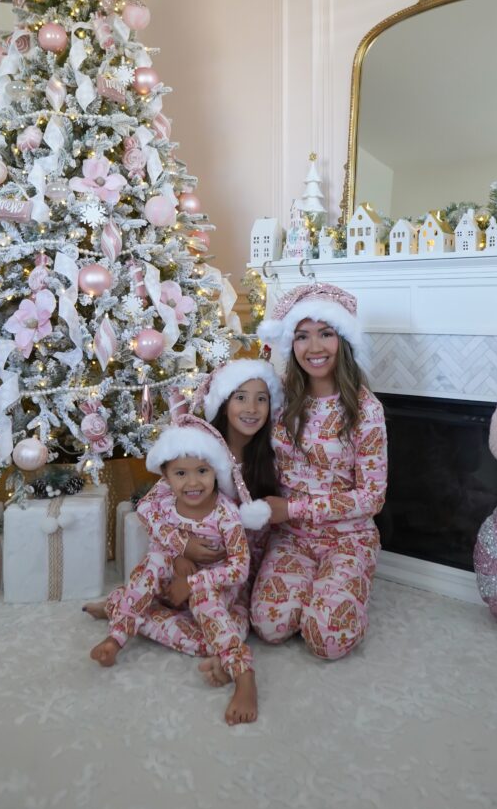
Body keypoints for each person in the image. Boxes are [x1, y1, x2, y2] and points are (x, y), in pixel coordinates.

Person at [89, 414, 257, 725]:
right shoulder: (163, 498)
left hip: (217, 588)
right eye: (181, 473)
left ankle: (244, 676)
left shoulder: (227, 515)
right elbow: (145, 511)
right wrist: (180, 549)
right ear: (166, 476)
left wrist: (194, 582)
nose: (193, 483)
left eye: (202, 472)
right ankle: (118, 633)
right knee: (154, 562)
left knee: (210, 640)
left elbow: (240, 569)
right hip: (171, 576)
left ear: (216, 472)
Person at [250, 283, 388, 659]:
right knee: (268, 627)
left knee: (327, 641)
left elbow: (373, 497)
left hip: (348, 538)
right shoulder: (278, 398)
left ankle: (340, 585)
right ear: (290, 344)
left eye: (325, 333)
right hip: (291, 538)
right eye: (302, 336)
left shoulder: (366, 409)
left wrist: (293, 509)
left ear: (342, 339)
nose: (314, 348)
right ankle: (311, 587)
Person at [188, 358, 282, 685]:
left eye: (262, 398)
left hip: (243, 569)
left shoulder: (270, 456)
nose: (252, 408)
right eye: (241, 397)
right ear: (224, 403)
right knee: (194, 598)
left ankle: (224, 657)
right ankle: (120, 608)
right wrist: (184, 552)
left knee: (238, 617)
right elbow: (161, 505)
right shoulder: (202, 451)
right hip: (206, 558)